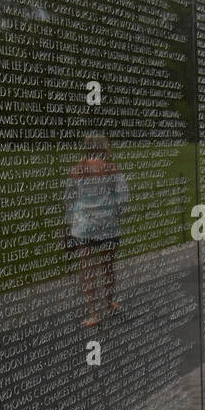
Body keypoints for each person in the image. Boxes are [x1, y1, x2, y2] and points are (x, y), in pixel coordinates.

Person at [65, 134, 129, 327]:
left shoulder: (78, 170)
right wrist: (116, 215)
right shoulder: (111, 169)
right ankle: (109, 303)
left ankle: (93, 313)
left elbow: (69, 197)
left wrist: (71, 221)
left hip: (83, 225)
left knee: (87, 269)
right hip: (107, 224)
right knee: (108, 266)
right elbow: (123, 196)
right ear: (104, 148)